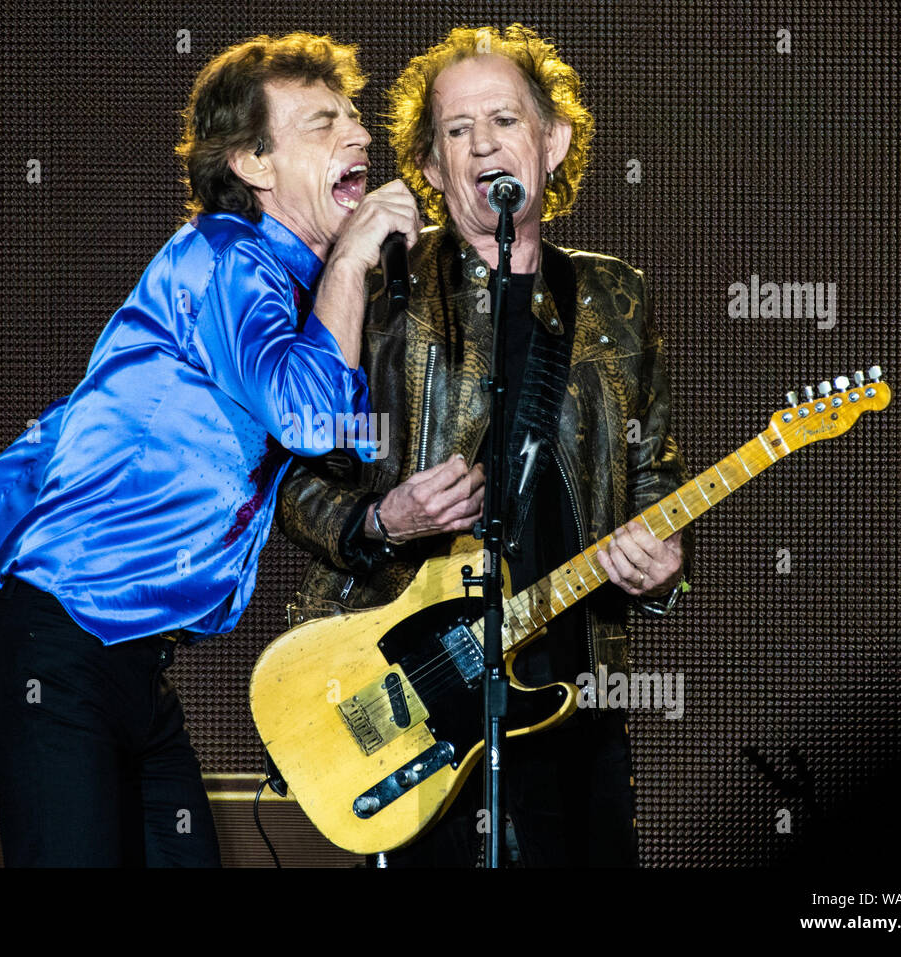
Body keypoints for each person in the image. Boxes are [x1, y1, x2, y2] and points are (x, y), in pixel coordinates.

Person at [0, 33, 420, 866]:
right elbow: (311, 419)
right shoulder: (226, 257)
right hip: (63, 652)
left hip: (126, 667)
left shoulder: (264, 292)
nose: (359, 137)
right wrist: (355, 256)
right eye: (324, 124)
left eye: (356, 118)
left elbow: (52, 443)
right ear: (254, 163)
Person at [277, 24, 692, 866]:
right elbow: (292, 481)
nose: (482, 146)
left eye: (503, 120)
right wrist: (384, 517)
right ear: (430, 167)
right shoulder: (380, 288)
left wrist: (665, 562)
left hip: (574, 692)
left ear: (554, 139)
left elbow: (653, 475)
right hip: (428, 695)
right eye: (457, 131)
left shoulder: (613, 295)